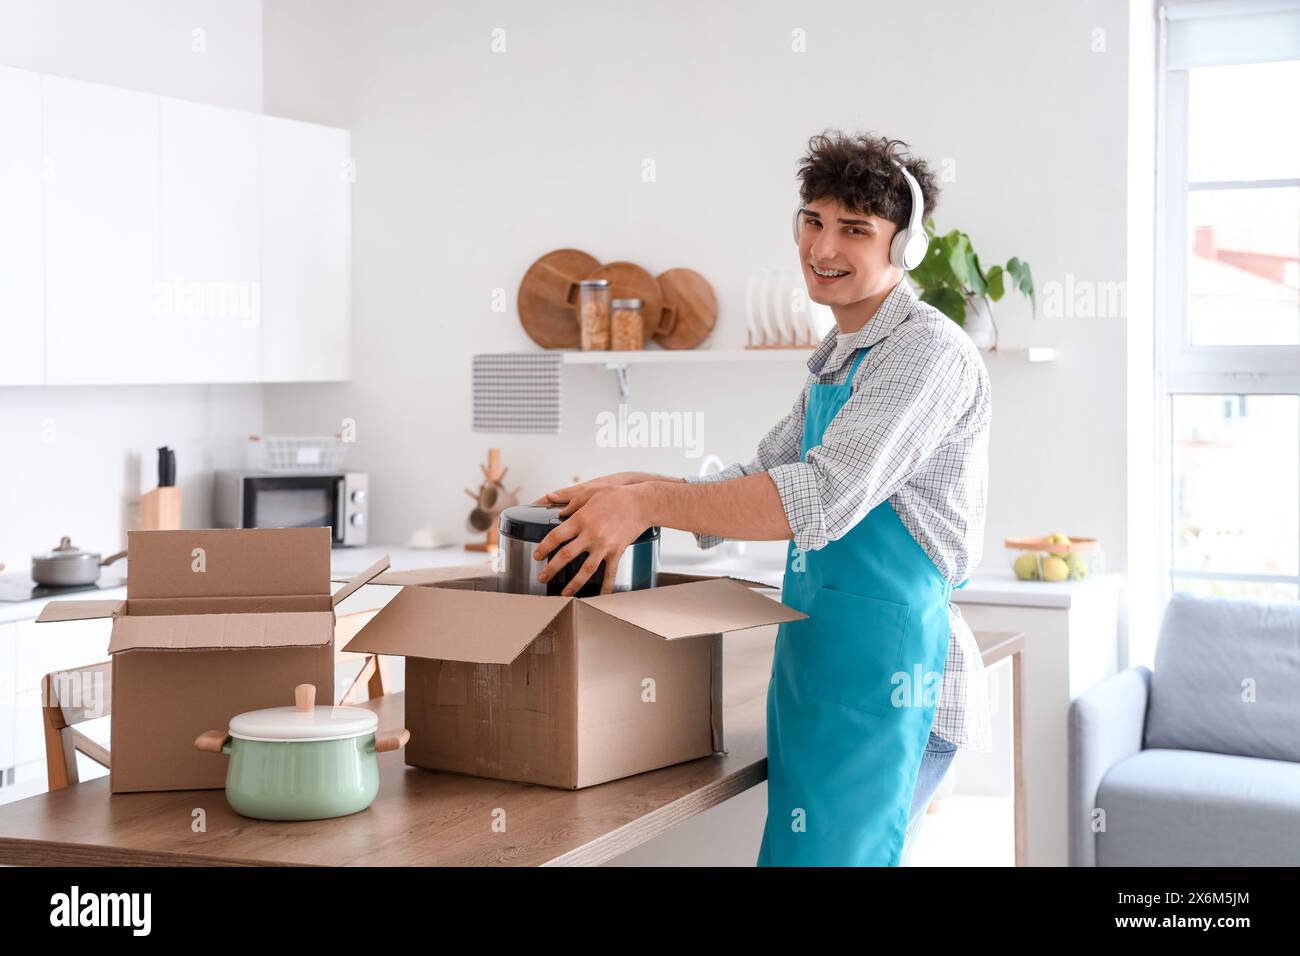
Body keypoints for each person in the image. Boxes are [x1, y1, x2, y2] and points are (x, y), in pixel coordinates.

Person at [532, 130, 992, 866]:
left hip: (894, 682)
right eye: (813, 221)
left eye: (855, 230)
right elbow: (758, 473)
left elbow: (818, 496)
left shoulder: (926, 353)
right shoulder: (842, 357)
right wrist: (633, 486)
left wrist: (648, 506)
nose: (824, 247)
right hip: (826, 670)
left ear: (903, 249)